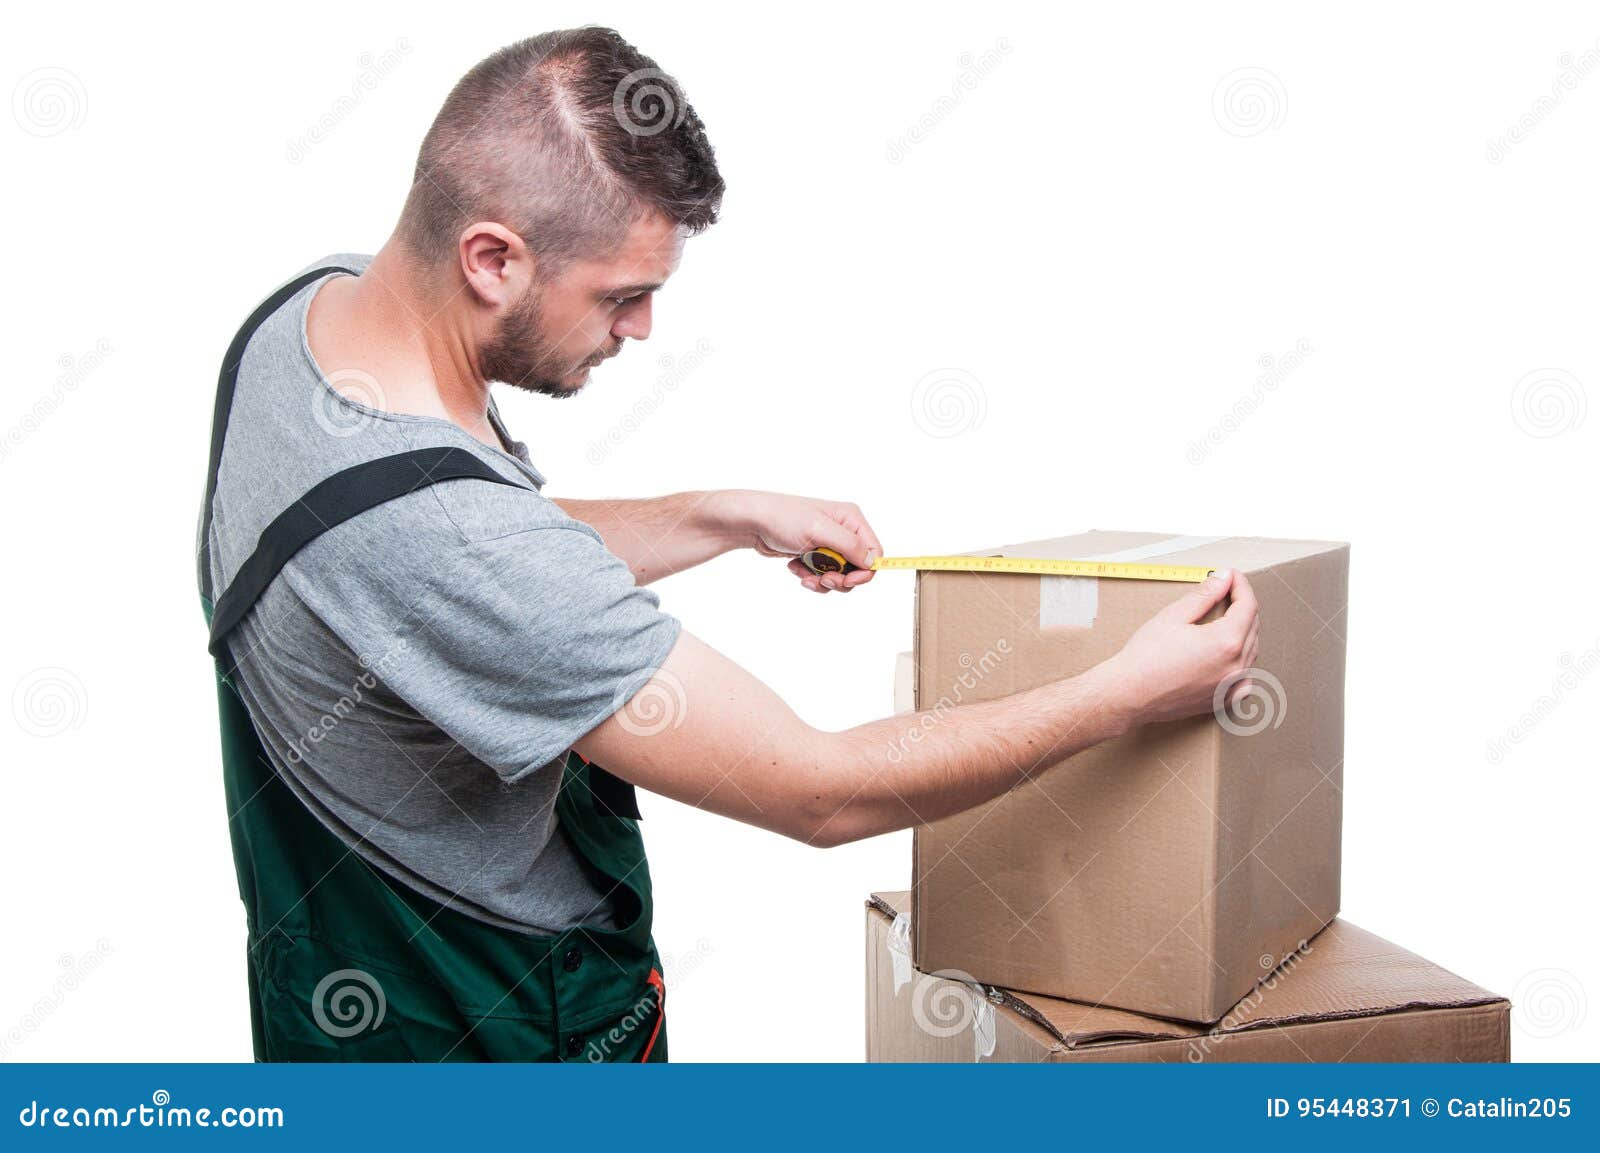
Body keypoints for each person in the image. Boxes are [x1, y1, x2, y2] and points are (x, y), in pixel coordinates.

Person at [197, 26, 1259, 1061]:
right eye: (621, 295)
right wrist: (1123, 694)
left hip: (335, 996)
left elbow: (460, 550)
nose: (642, 328)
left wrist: (717, 516)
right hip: (494, 1029)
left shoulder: (307, 323)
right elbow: (821, 789)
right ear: (491, 259)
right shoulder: (457, 546)